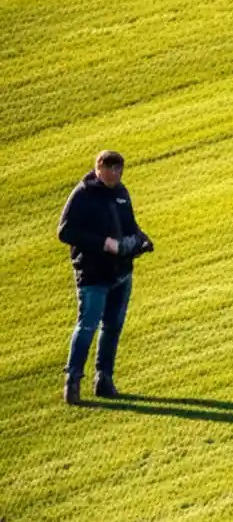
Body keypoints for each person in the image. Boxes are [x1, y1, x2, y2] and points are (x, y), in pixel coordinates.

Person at [57, 150, 153, 404]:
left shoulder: (122, 193)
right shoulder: (83, 195)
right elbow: (65, 232)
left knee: (113, 327)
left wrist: (140, 239)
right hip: (93, 275)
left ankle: (104, 380)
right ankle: (73, 382)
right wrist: (103, 243)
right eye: (109, 169)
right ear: (98, 169)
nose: (115, 174)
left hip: (121, 273)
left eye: (119, 169)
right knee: (87, 326)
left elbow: (130, 225)